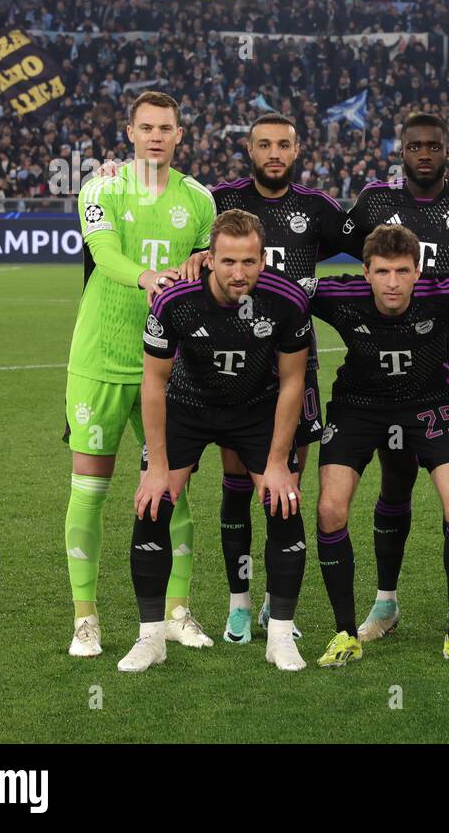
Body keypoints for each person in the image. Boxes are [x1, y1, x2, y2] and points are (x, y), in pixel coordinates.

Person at [122, 209, 310, 673]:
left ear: (262, 259)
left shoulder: (286, 300)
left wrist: (280, 460)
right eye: (227, 262)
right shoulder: (175, 301)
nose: (238, 273)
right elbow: (153, 382)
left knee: (283, 501)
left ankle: (281, 637)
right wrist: (158, 465)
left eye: (248, 261)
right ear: (210, 259)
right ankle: (151, 638)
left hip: (254, 409)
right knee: (153, 502)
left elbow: (292, 382)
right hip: (187, 406)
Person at [63, 91, 216, 658]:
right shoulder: (101, 186)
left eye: (166, 128)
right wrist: (151, 278)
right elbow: (104, 256)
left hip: (168, 367)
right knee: (91, 491)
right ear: (129, 132)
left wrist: (196, 266)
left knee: (172, 493)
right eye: (146, 127)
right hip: (101, 361)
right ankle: (86, 618)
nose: (156, 135)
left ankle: (176, 611)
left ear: (180, 135)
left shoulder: (199, 200)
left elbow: (206, 260)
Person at [339, 113, 449, 644]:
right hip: (395, 367)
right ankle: (386, 602)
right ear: (401, 151)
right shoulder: (372, 205)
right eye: (415, 146)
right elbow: (319, 242)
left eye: (434, 145)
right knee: (395, 481)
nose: (424, 153)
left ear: (447, 150)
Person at [307, 225, 449, 668]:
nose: (392, 282)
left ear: (418, 272)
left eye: (402, 271)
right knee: (330, 509)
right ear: (366, 272)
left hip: (428, 403)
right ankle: (344, 632)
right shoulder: (339, 296)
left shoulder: (441, 290)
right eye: (383, 271)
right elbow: (265, 279)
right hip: (359, 406)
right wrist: (199, 263)